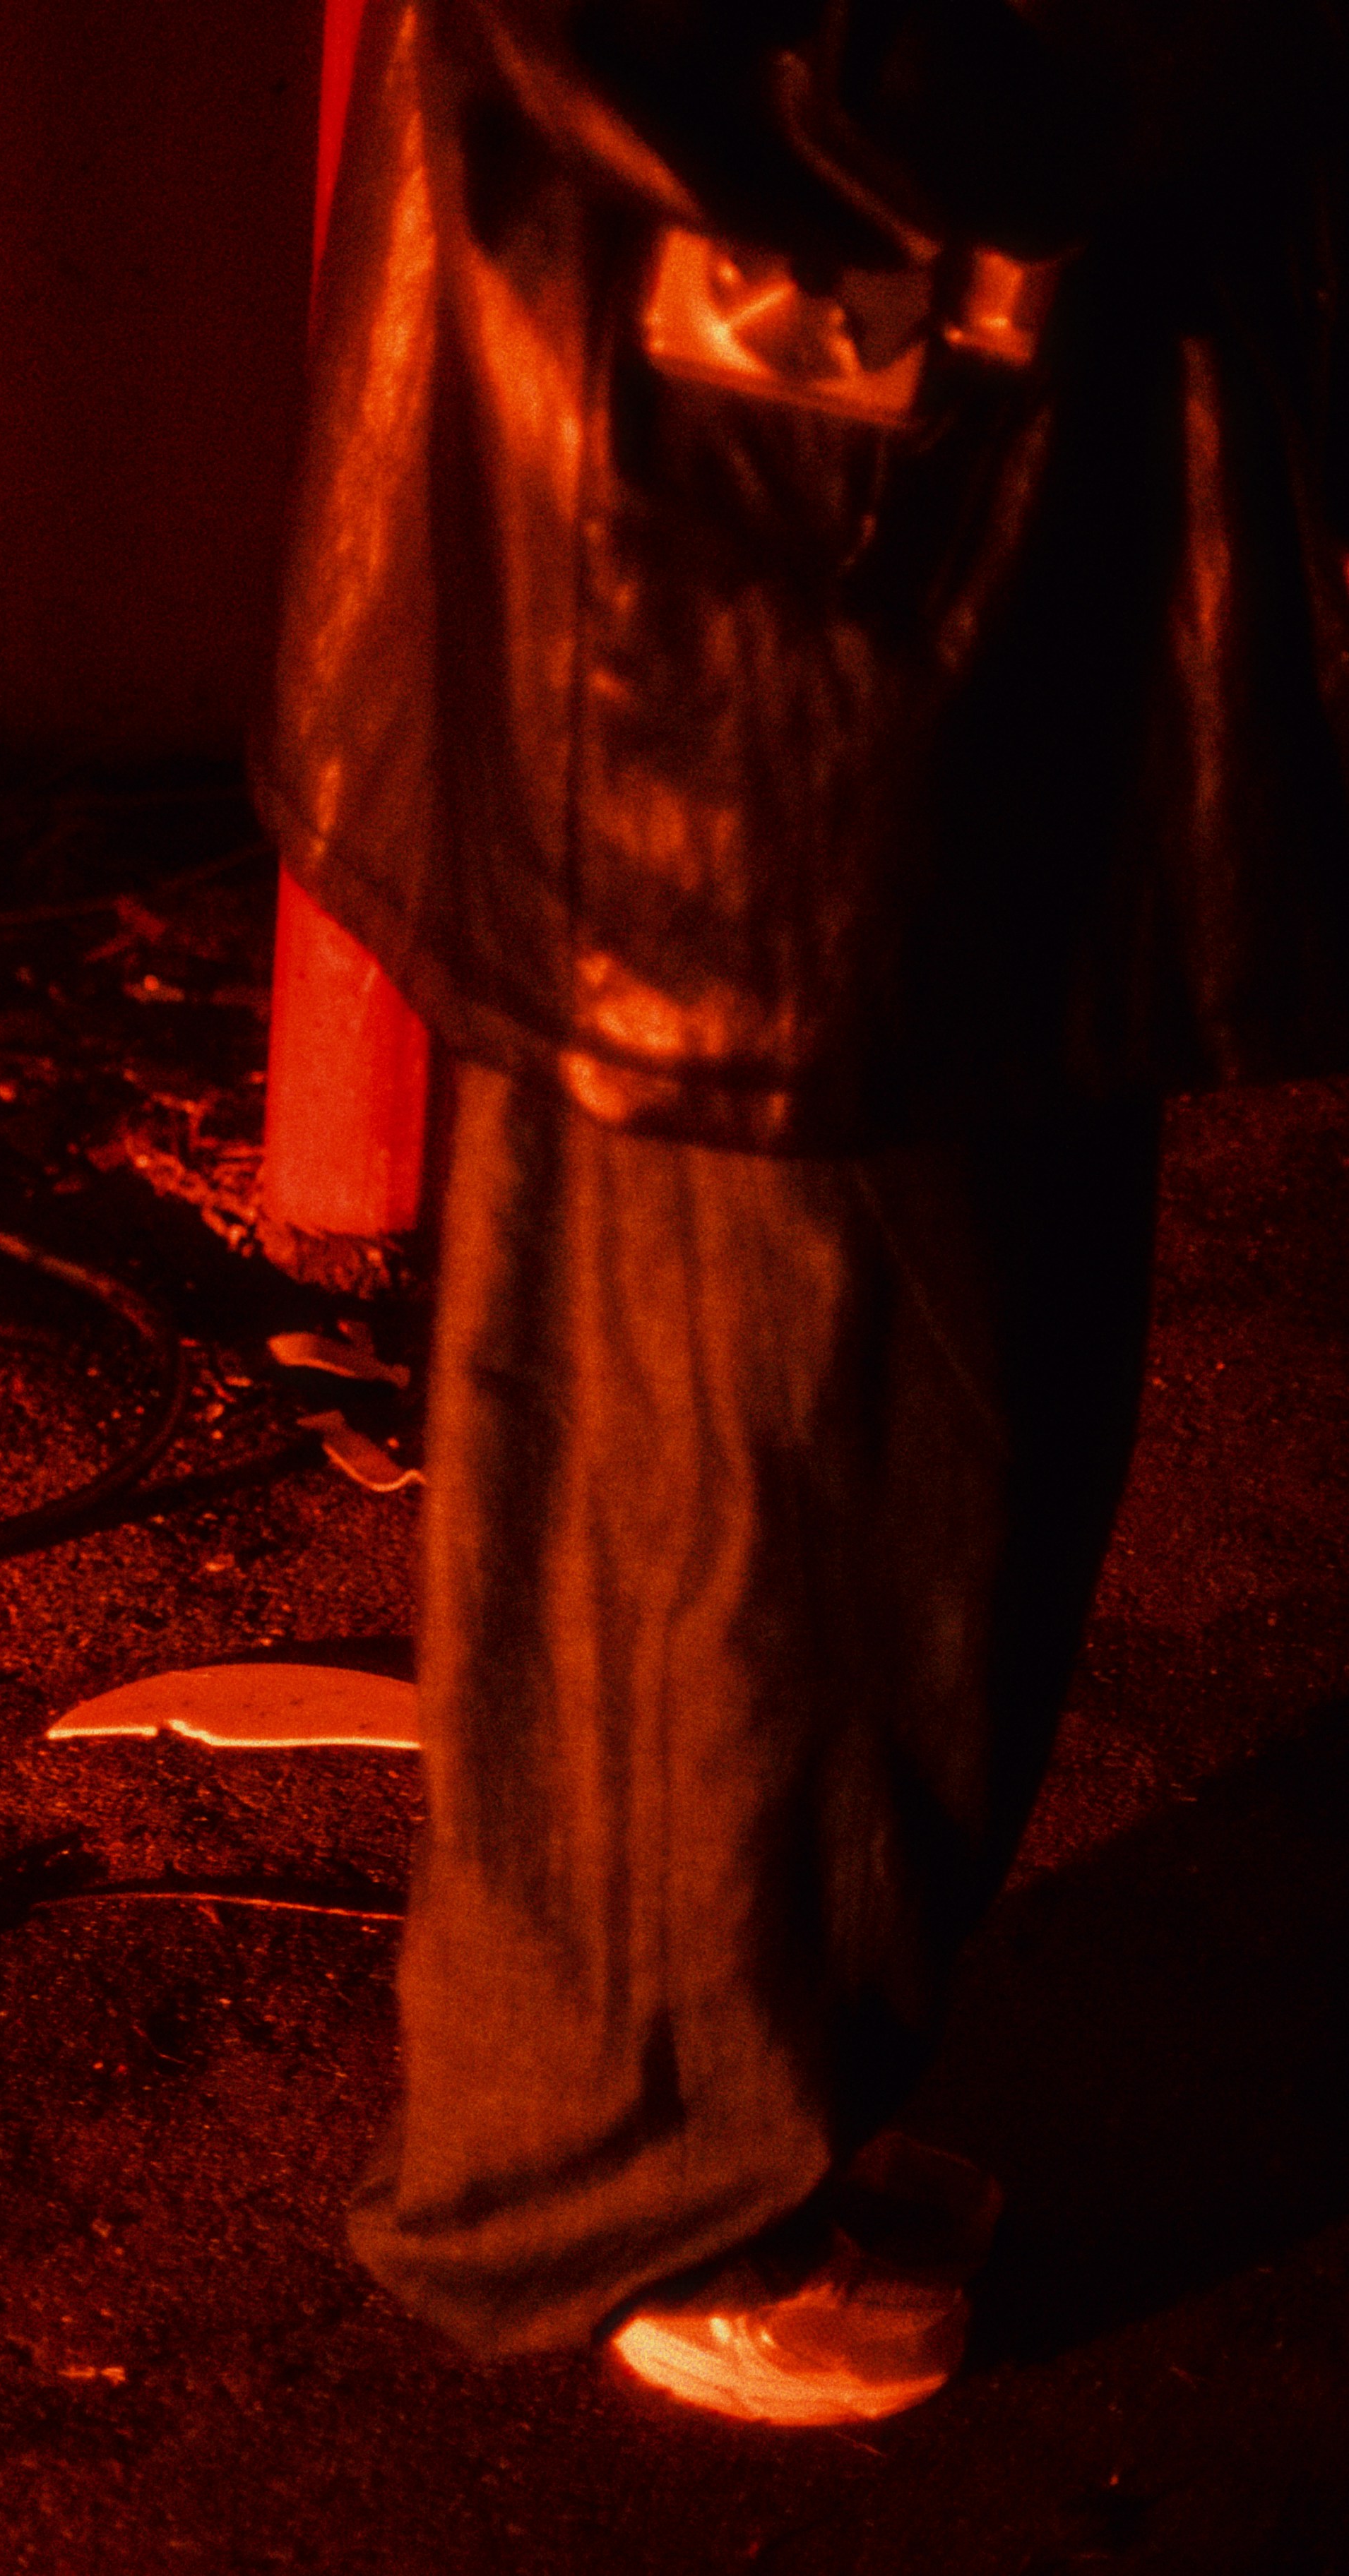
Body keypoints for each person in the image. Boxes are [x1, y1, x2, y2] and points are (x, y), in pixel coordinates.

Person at [257, 0, 1349, 2422]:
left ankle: (730, 2124)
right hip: (774, 555)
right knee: (766, 1457)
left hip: (812, 511)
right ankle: (654, 2179)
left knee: (855, 1428)